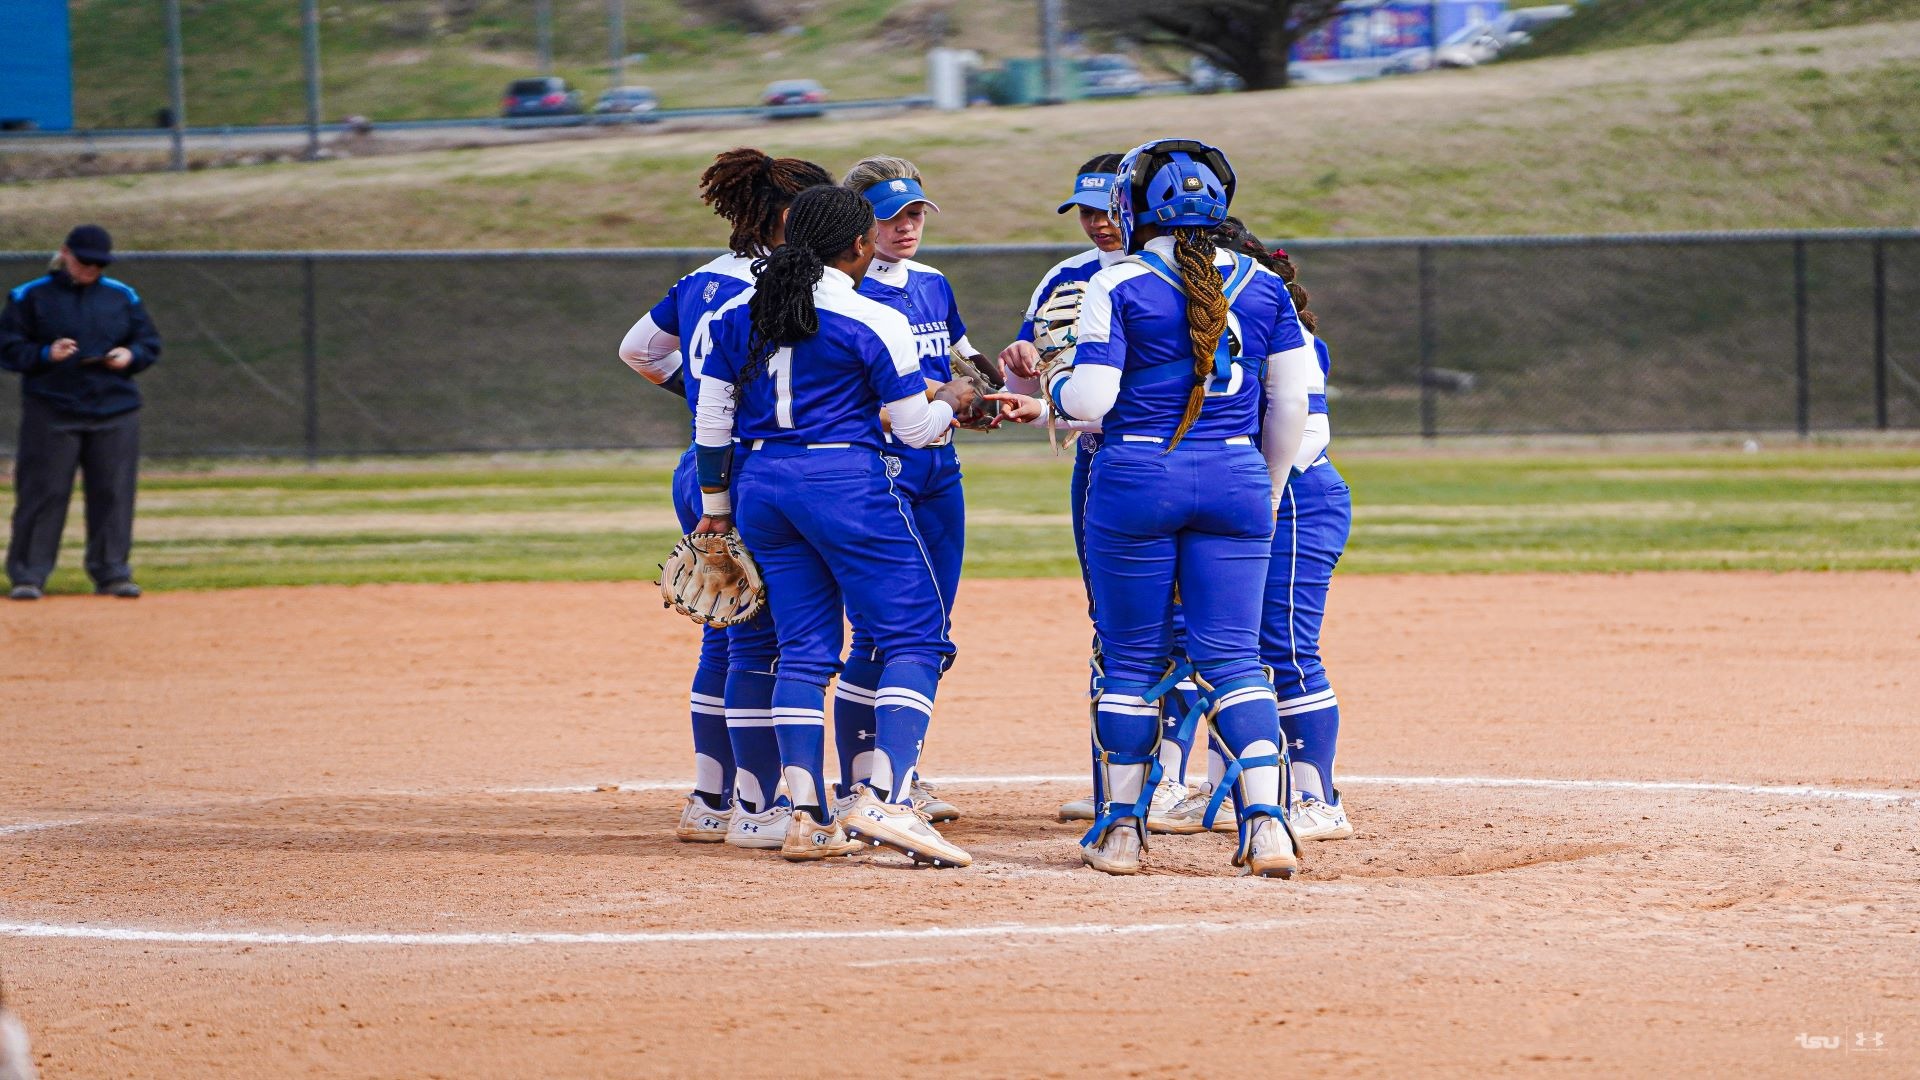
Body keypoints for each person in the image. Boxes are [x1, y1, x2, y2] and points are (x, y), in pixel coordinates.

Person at [1031, 139, 1319, 877]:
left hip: (1137, 474)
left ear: (1134, 206)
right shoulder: (1265, 285)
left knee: (1131, 661)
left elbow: (1091, 400)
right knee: (1234, 658)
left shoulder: (1120, 282)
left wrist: (1054, 391)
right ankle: (1269, 826)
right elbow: (1290, 404)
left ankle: (1123, 831)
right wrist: (1270, 482)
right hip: (1236, 475)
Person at [693, 183, 990, 866]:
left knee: (802, 651)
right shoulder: (869, 316)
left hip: (761, 485)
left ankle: (806, 818)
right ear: (859, 246)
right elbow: (915, 431)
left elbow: (713, 421)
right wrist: (953, 402)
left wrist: (715, 508)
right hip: (845, 483)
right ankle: (886, 797)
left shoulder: (740, 312)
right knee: (916, 635)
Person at [619, 149, 833, 847]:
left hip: (701, 463)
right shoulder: (796, 281)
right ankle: (756, 808)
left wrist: (706, 398)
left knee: (727, 633)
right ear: (785, 215)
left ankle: (711, 801)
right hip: (758, 468)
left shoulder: (698, 280)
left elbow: (638, 351)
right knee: (761, 645)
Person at [999, 154, 1209, 832]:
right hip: (1099, 459)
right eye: (1084, 212)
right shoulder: (1064, 280)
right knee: (1115, 620)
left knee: (1181, 621)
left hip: (1172, 457)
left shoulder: (1182, 271)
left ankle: (1173, 778)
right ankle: (1121, 779)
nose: (1096, 223)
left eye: (1105, 208)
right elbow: (1044, 390)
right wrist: (1023, 370)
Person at [825, 155, 987, 825]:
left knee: (931, 625)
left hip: (938, 468)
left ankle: (898, 773)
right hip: (880, 471)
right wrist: (944, 397)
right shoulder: (847, 293)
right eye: (891, 217)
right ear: (860, 223)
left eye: (915, 213)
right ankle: (867, 783)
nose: (906, 227)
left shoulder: (931, 283)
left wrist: (994, 383)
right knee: (882, 633)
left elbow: (962, 357)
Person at [1213, 217, 1356, 843]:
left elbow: (1308, 435)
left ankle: (1315, 796)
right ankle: (1239, 789)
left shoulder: (1283, 330)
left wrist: (1255, 490)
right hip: (1240, 497)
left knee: (1287, 648)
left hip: (1293, 497)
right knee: (1224, 652)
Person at [1, 225, 160, 601]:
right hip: (53, 408)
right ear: (65, 254)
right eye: (84, 261)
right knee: (43, 493)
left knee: (113, 493)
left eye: (98, 264)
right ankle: (28, 575)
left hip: (114, 408)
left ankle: (112, 573)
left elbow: (147, 342)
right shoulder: (29, 296)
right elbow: (7, 348)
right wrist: (45, 354)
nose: (91, 269)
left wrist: (130, 356)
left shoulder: (122, 296)